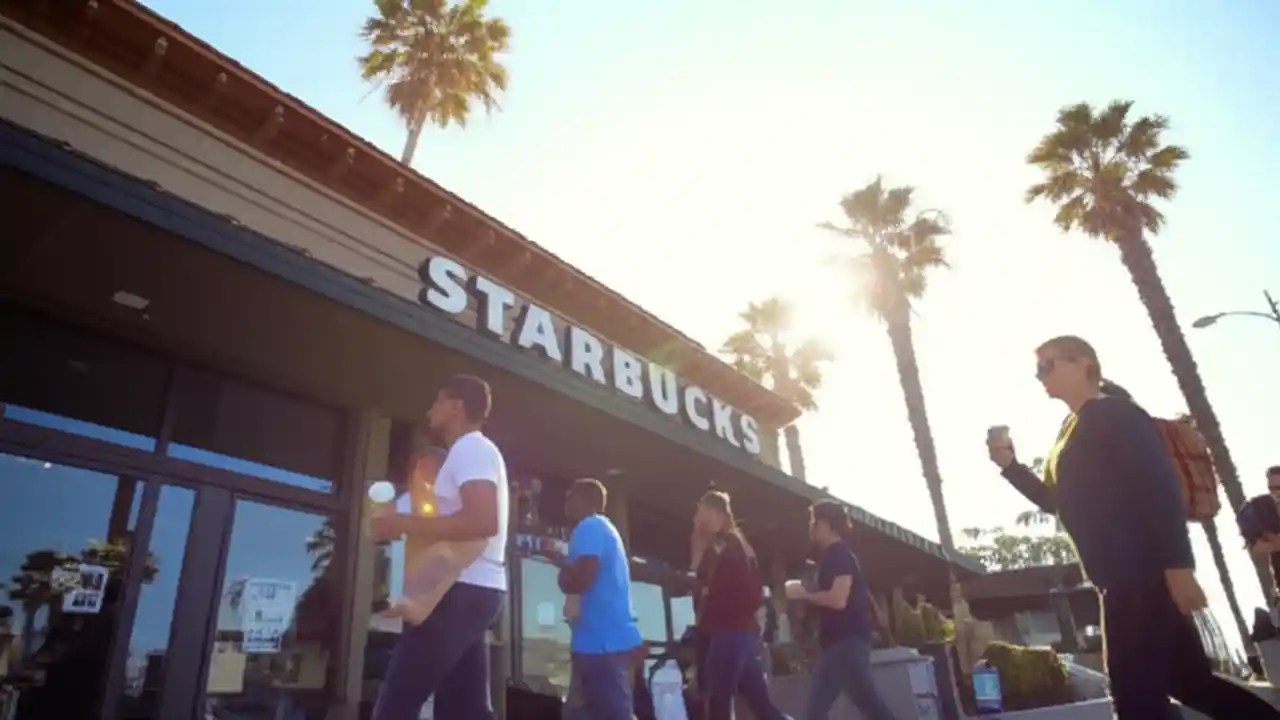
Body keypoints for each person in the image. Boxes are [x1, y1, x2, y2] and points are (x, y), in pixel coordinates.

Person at [989, 335, 1280, 719]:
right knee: (1190, 683)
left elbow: (1157, 485)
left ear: (1085, 365)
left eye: (1049, 365)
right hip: (1125, 578)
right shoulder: (1072, 430)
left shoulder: (1115, 414)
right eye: (1037, 369)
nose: (1040, 375)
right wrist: (1010, 466)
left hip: (1137, 577)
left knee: (1134, 699)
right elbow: (1059, 503)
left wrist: (1178, 567)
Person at [370, 374, 510, 720]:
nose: (430, 409)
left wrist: (403, 523)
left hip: (458, 592)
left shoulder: (471, 448)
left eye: (436, 401)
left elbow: (482, 522)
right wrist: (395, 522)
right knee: (466, 709)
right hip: (469, 591)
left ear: (455, 407)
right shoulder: (468, 452)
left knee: (395, 706)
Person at [544, 478, 643, 720]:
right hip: (597, 641)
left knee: (613, 713)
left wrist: (557, 557)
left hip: (601, 643)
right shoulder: (604, 529)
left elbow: (581, 579)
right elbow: (571, 581)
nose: (566, 503)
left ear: (584, 500)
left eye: (570, 497)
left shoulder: (589, 527)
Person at [788, 501, 896, 720]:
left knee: (816, 710)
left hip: (844, 643)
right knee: (870, 704)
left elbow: (839, 599)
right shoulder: (834, 557)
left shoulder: (839, 555)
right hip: (846, 643)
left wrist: (804, 595)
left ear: (826, 524)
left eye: (814, 522)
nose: (812, 528)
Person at [691, 490, 790, 720]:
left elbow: (742, 593)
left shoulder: (727, 546)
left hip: (728, 633)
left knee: (719, 703)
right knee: (759, 703)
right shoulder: (732, 545)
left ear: (716, 514)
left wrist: (709, 595)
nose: (697, 518)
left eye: (701, 512)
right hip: (739, 633)